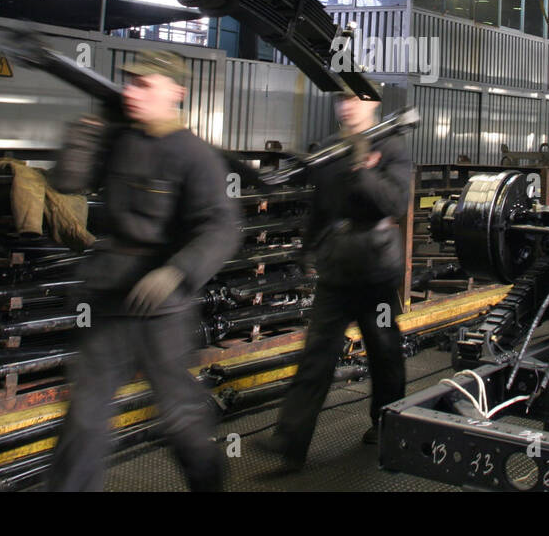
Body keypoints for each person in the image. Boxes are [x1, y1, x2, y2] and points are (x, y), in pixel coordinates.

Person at [46, 50, 240, 492]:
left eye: (144, 85)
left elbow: (222, 227)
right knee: (85, 416)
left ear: (176, 93)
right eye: (130, 83)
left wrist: (176, 272)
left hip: (162, 310)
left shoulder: (196, 155)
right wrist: (82, 140)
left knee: (180, 418)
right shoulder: (120, 138)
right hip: (110, 298)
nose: (132, 92)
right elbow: (67, 183)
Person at [257, 89, 412, 472]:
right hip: (338, 270)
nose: (347, 107)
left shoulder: (391, 146)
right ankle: (290, 445)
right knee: (316, 356)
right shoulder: (329, 149)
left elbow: (396, 204)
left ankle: (387, 424)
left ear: (374, 104)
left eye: (357, 99)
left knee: (384, 350)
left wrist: (364, 172)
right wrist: (307, 250)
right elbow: (321, 206)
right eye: (342, 100)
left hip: (376, 271)